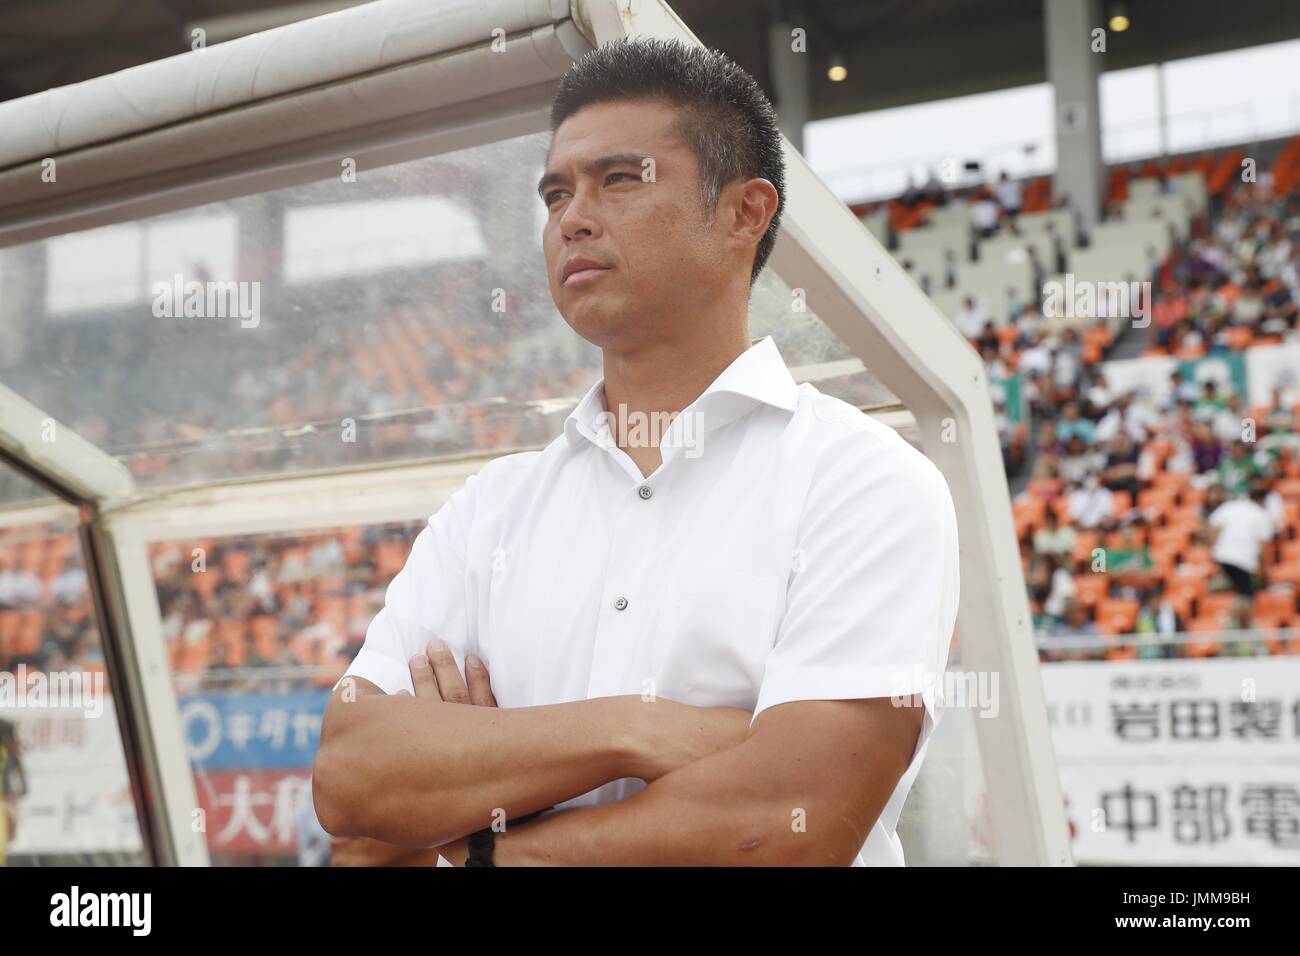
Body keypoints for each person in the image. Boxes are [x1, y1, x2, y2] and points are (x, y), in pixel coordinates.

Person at [313, 38, 960, 868]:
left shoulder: (863, 482)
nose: (571, 217)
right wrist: (637, 729)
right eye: (556, 192)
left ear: (745, 213)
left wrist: (474, 841)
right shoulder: (490, 510)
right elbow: (351, 779)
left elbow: (787, 827)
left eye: (619, 180)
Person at [1206, 484, 1276, 596]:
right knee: (1247, 595)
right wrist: (1264, 573)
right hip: (1243, 560)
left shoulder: (1232, 506)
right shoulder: (1262, 515)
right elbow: (1265, 547)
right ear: (1263, 500)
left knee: (1235, 586)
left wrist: (1215, 547)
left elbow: (1212, 525)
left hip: (1223, 556)